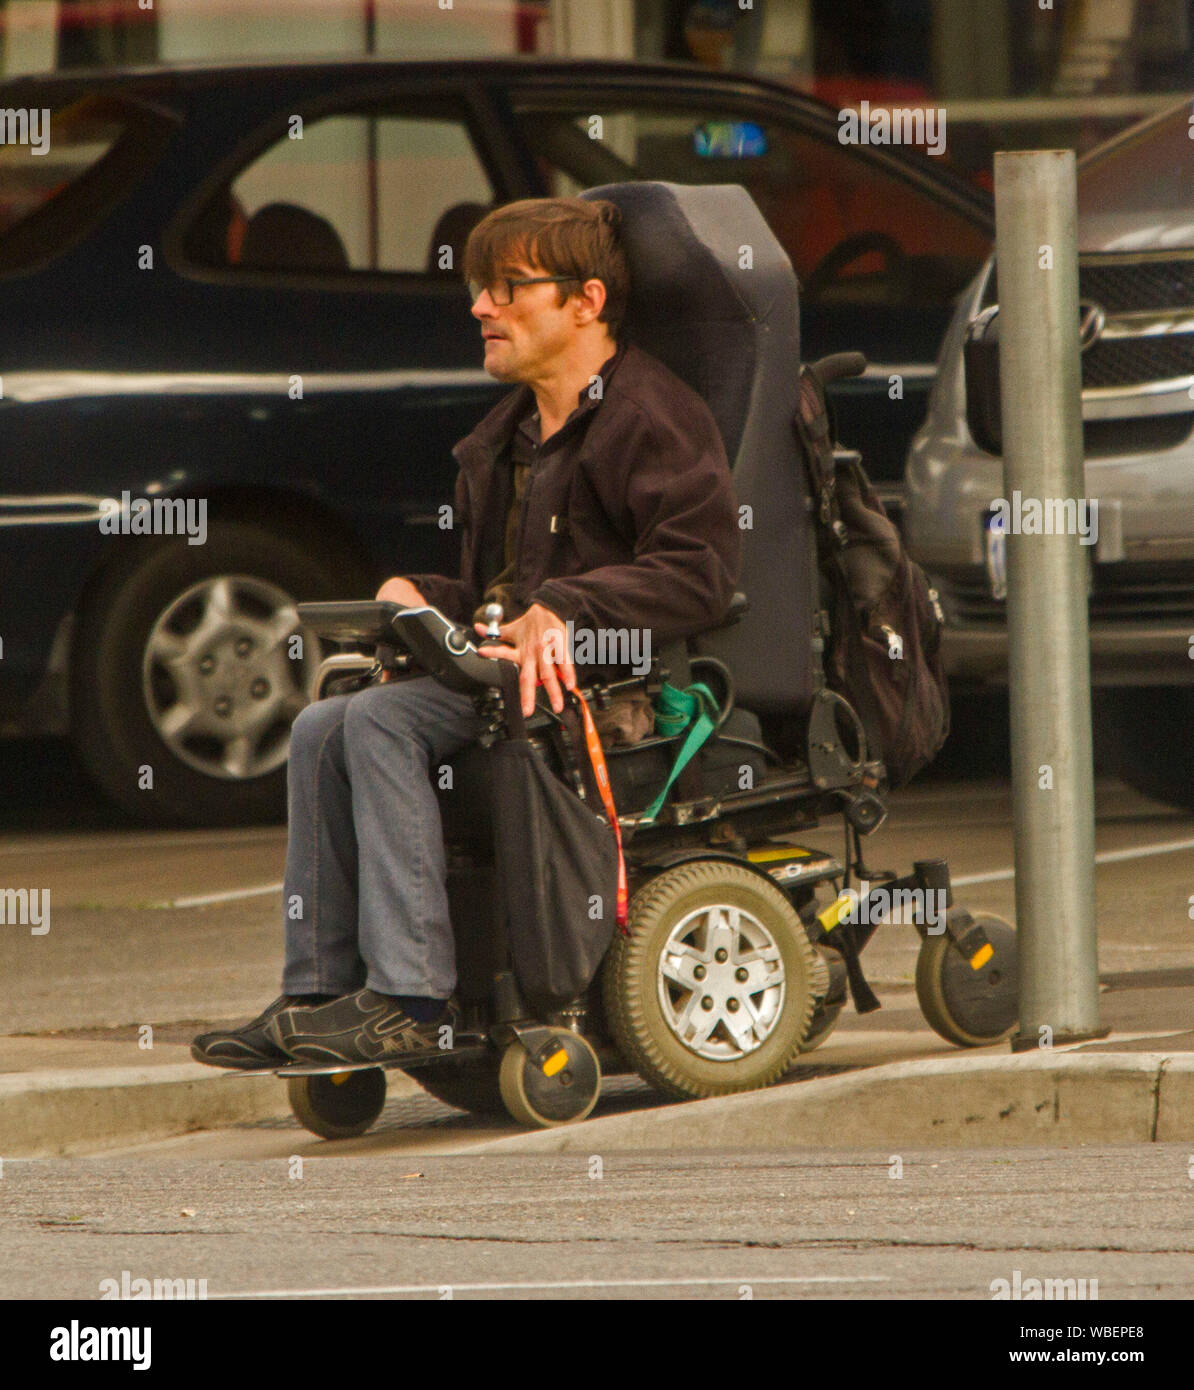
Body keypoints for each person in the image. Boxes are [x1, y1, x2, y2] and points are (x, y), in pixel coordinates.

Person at [191, 196, 741, 1070]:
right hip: (504, 684)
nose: (480, 307)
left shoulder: (650, 416)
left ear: (585, 301)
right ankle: (319, 994)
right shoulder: (507, 440)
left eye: (508, 288)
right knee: (318, 723)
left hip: (607, 692)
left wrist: (570, 608)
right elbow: (497, 594)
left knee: (377, 720)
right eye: (480, 289)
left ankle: (410, 998)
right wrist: (417, 595)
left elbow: (700, 571)